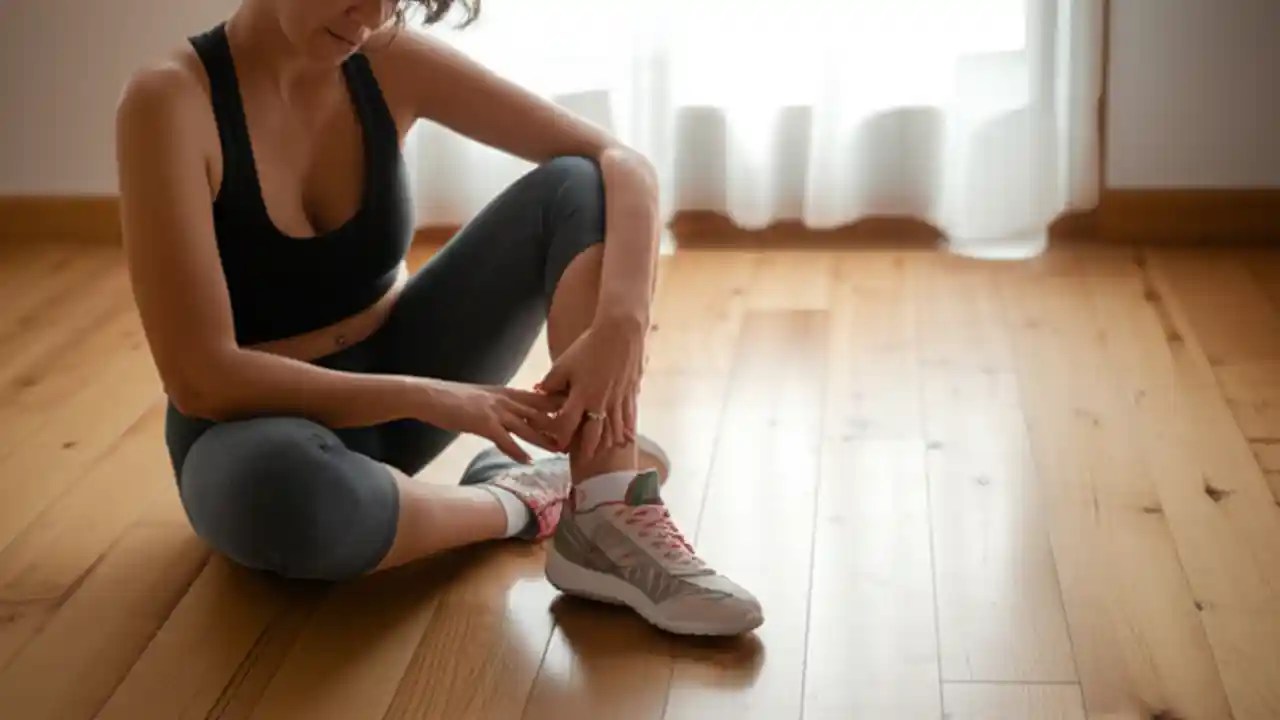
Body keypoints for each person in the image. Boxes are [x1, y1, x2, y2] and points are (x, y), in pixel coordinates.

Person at [114, 0, 762, 636]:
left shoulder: (386, 59)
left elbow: (622, 164)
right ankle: (516, 500)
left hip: (397, 370)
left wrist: (622, 319)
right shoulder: (169, 101)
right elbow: (201, 378)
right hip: (253, 429)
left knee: (575, 183)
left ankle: (607, 510)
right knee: (288, 500)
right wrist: (432, 397)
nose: (369, 16)